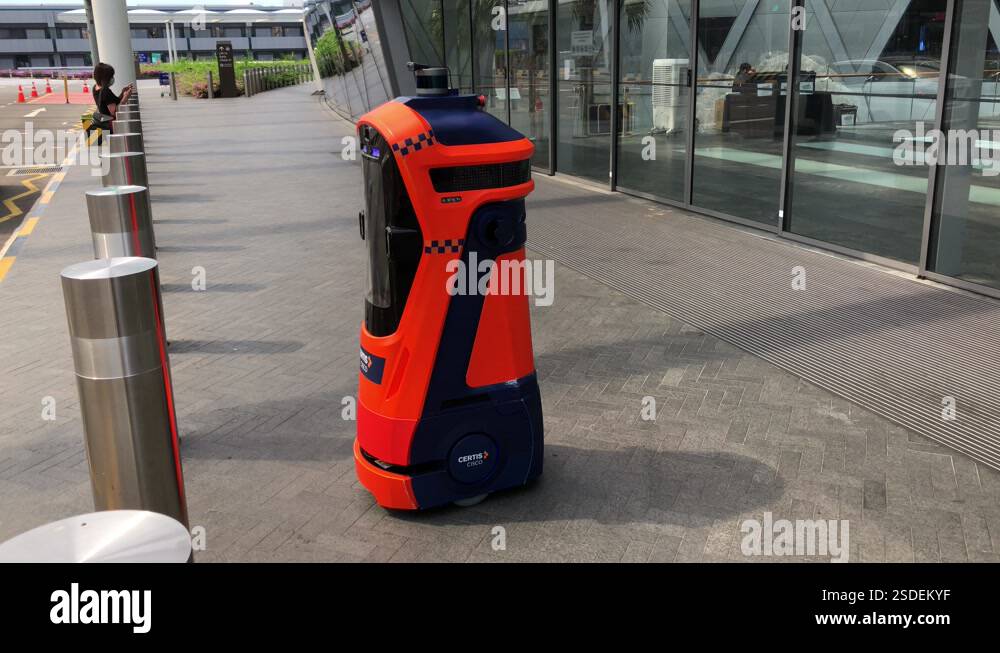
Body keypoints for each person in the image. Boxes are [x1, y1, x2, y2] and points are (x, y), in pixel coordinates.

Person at [91, 62, 134, 137]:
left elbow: (111, 102)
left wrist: (122, 93)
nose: (112, 79)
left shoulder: (95, 88)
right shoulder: (105, 91)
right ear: (105, 78)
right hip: (111, 126)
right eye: (111, 76)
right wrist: (125, 98)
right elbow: (114, 113)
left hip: (103, 121)